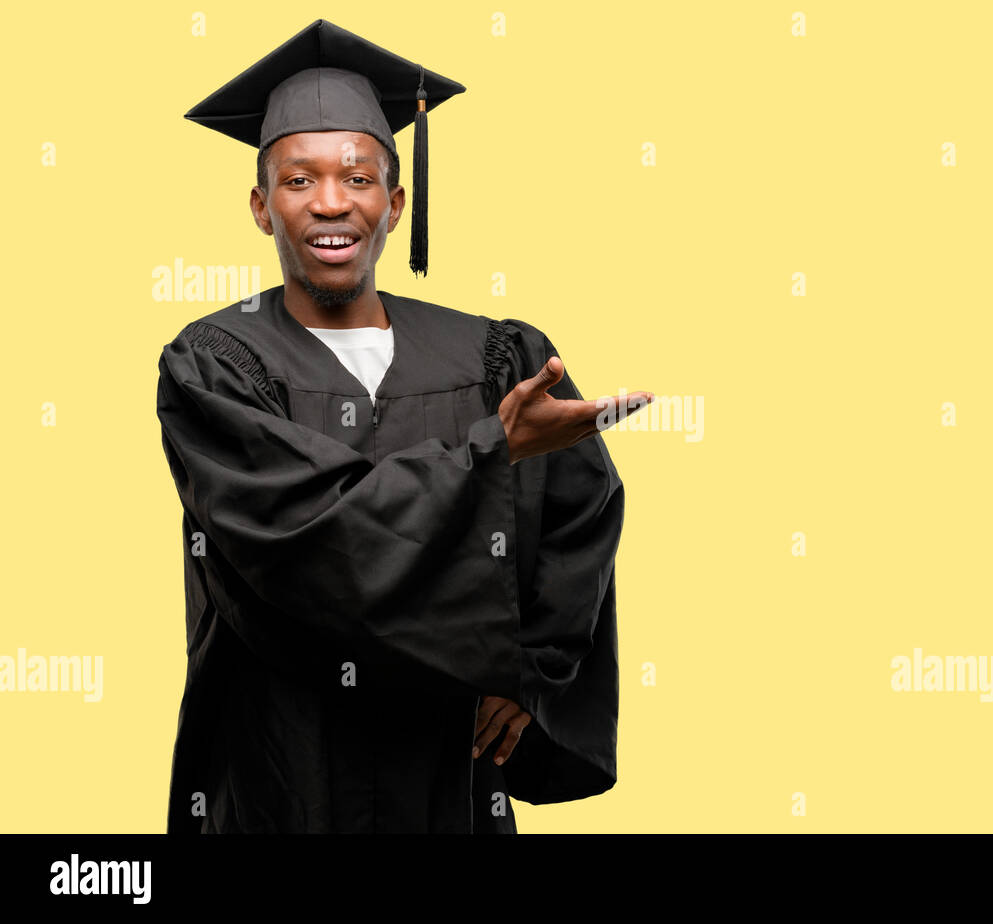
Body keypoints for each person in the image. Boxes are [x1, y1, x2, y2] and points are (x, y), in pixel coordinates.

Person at [156, 19, 652, 833]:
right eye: (297, 179)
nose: (329, 202)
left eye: (357, 177)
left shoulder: (498, 356)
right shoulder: (212, 366)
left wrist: (530, 674)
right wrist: (491, 452)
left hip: (449, 761)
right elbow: (302, 533)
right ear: (259, 206)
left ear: (395, 203)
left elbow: (580, 514)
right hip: (280, 760)